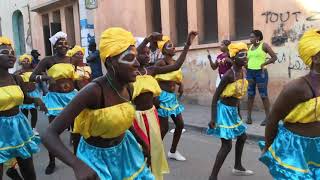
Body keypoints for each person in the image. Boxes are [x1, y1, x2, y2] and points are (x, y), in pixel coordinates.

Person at [41, 27, 155, 180]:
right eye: (129, 58)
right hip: (96, 159)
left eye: (136, 58)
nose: (136, 63)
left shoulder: (129, 86)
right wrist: (77, 165)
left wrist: (141, 141)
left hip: (126, 151)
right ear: (110, 62)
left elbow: (122, 118)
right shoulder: (94, 91)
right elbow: (49, 135)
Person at [133, 31, 197, 179]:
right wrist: (148, 39)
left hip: (151, 114)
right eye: (143, 52)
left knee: (159, 139)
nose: (147, 55)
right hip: (136, 116)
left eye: (148, 52)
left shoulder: (151, 70)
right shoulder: (129, 74)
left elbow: (177, 66)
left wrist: (187, 44)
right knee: (142, 146)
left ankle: (162, 155)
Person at [259, 29, 320, 179]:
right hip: (295, 149)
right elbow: (273, 119)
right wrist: (268, 148)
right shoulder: (297, 88)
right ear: (316, 58)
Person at [30, 31, 78, 175]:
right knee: (53, 132)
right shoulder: (48, 60)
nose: (63, 46)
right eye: (60, 44)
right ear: (54, 46)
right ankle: (52, 162)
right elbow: (32, 77)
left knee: (77, 130)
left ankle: (78, 160)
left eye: (65, 43)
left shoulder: (72, 60)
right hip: (55, 99)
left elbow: (73, 79)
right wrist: (46, 78)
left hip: (71, 97)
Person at [0, 36, 47, 180]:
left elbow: (24, 98)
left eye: (12, 53)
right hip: (1, 129)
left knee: (29, 171)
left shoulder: (16, 78)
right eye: (5, 52)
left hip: (20, 126)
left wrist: (36, 99)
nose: (11, 56)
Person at [207, 42, 254, 180]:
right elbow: (215, 97)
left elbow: (237, 96)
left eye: (246, 54)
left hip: (233, 111)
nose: (245, 57)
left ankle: (238, 167)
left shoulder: (243, 71)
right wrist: (213, 118)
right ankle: (212, 177)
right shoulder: (229, 75)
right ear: (233, 58)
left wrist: (238, 114)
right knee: (226, 146)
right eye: (241, 55)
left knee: (242, 136)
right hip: (224, 111)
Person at [154, 34, 194, 161]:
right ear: (164, 50)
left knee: (180, 125)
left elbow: (173, 75)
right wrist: (156, 98)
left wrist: (180, 84)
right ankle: (153, 153)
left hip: (172, 97)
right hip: (162, 97)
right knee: (164, 128)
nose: (173, 47)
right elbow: (154, 79)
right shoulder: (160, 62)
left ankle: (172, 151)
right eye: (170, 46)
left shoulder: (173, 62)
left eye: (173, 45)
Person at [246, 30, 277, 126]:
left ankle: (268, 118)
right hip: (250, 73)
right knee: (250, 95)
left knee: (263, 95)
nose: (250, 39)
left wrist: (264, 63)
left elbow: (274, 57)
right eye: (250, 37)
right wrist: (246, 65)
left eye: (252, 37)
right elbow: (249, 59)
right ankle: (249, 117)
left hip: (261, 73)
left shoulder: (264, 45)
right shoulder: (249, 47)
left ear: (258, 38)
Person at [67, 45, 92, 154]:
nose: (80, 55)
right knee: (75, 122)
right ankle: (76, 150)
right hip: (75, 95)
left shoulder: (87, 66)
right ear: (72, 56)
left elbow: (90, 80)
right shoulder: (70, 68)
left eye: (81, 53)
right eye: (77, 54)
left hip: (88, 95)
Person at [15, 54, 42, 136]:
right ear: (21, 62)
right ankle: (26, 129)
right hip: (24, 94)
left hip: (33, 93)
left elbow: (39, 79)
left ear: (30, 62)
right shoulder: (18, 72)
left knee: (34, 113)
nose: (26, 62)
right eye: (24, 61)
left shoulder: (34, 71)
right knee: (24, 113)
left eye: (28, 61)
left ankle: (33, 128)